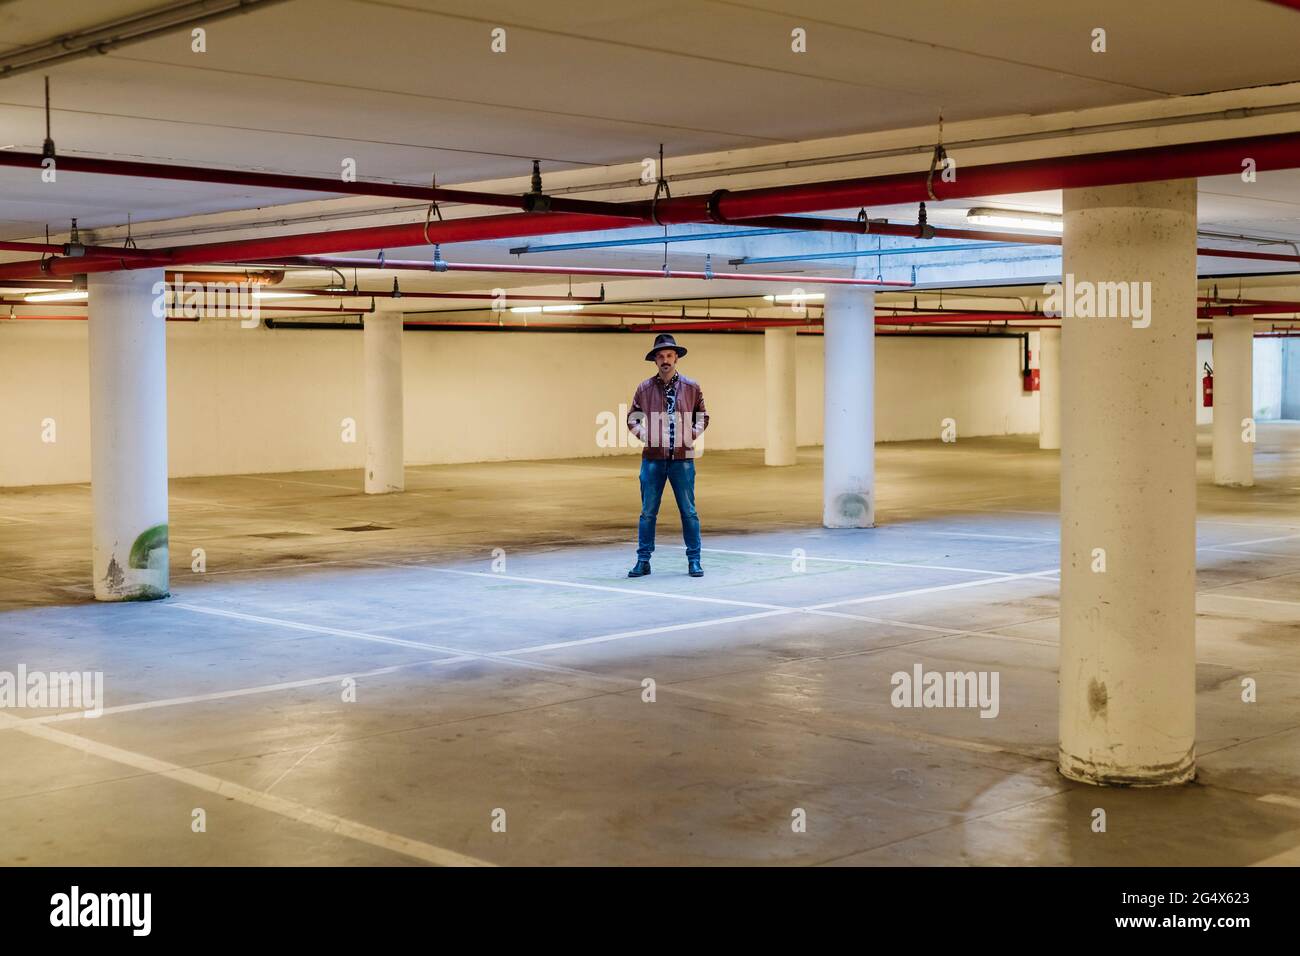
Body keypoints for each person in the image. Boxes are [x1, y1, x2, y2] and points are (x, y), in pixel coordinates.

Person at [625, 333, 709, 578]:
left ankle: (694, 560)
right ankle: (643, 561)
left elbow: (703, 415)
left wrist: (690, 434)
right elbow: (632, 417)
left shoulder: (692, 387)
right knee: (648, 512)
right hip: (652, 459)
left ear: (676, 358)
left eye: (669, 355)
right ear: (655, 360)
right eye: (660, 356)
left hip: (682, 460)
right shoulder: (644, 388)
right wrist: (644, 435)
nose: (665, 360)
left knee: (689, 511)